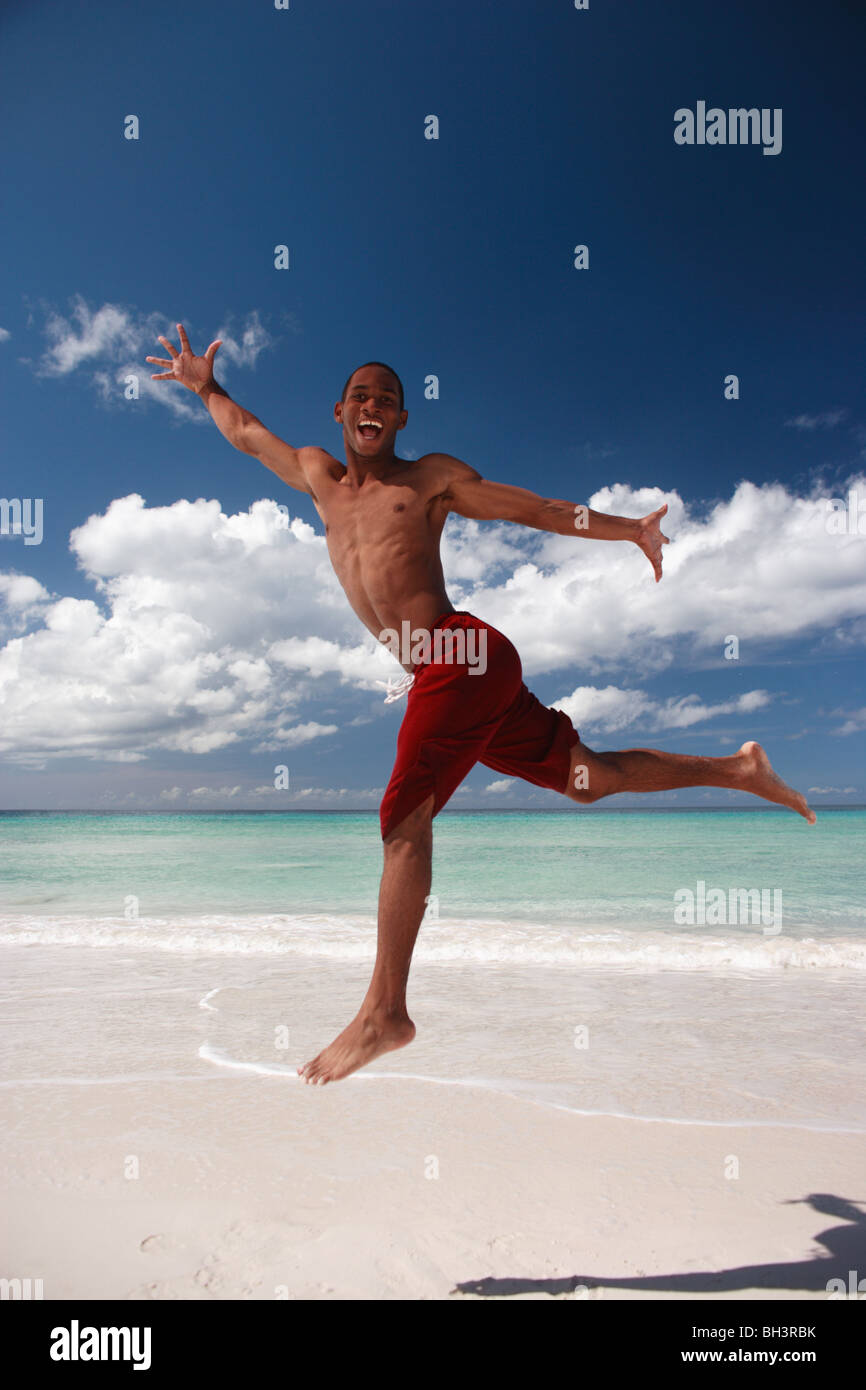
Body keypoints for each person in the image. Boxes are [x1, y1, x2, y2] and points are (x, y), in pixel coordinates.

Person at [148, 326, 815, 1085]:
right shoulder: (316, 475)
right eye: (361, 395)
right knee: (588, 779)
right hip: (459, 679)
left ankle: (383, 1013)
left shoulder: (429, 479)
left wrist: (630, 528)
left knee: (404, 818)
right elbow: (243, 432)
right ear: (339, 412)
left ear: (401, 421)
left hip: (461, 653)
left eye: (389, 400)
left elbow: (535, 511)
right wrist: (204, 386)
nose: (374, 405)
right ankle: (738, 770)